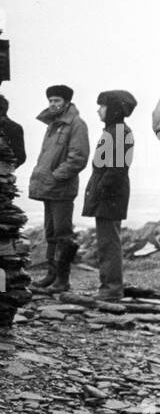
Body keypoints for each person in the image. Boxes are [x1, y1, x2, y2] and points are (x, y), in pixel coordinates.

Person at [28, 84, 90, 293]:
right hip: (49, 188)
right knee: (51, 232)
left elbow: (78, 158)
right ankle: (51, 275)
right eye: (50, 100)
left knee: (63, 234)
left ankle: (63, 280)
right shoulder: (53, 124)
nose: (52, 104)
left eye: (57, 100)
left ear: (67, 102)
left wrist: (55, 177)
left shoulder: (76, 124)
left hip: (61, 189)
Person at [82, 90, 137, 301]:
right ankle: (109, 287)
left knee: (109, 242)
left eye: (102, 106)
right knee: (106, 241)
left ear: (113, 109)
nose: (98, 110)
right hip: (108, 194)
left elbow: (116, 169)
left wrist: (101, 191)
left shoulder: (120, 132)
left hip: (110, 195)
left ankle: (112, 289)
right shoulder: (114, 131)